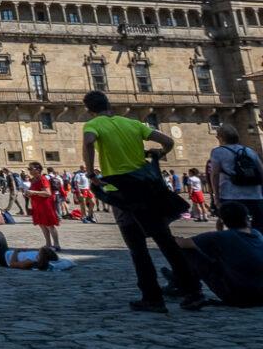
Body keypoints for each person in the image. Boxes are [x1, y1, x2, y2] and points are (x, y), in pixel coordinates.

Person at [82, 90, 201, 312]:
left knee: (137, 247)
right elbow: (168, 140)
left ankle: (152, 298)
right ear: (109, 105)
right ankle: (193, 291)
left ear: (89, 109)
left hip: (123, 192)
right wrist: (159, 152)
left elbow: (89, 142)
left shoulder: (93, 125)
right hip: (148, 189)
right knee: (166, 241)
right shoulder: (132, 123)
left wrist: (90, 173)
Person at [175, 203, 263, 307]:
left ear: (222, 220)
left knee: (191, 250)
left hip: (240, 296)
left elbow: (182, 244)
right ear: (248, 218)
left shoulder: (219, 237)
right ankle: (175, 279)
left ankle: (192, 292)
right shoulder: (256, 234)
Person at [207, 124, 263, 229]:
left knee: (237, 228)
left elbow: (215, 175)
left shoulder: (218, 152)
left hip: (231, 196)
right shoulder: (249, 151)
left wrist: (216, 197)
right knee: (258, 228)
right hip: (255, 195)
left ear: (221, 137)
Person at [0, 232, 67, 271]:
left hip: (5, 258)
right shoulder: (39, 257)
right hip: (9, 254)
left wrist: (16, 251)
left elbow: (12, 264)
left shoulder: (30, 261)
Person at [24, 161, 61, 251]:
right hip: (37, 205)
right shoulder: (34, 180)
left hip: (45, 205)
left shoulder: (42, 179)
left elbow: (48, 193)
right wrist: (29, 194)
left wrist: (34, 192)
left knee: (49, 225)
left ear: (38, 169)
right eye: (28, 169)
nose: (29, 170)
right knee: (42, 225)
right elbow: (36, 192)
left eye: (30, 168)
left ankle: (56, 245)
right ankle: (48, 244)